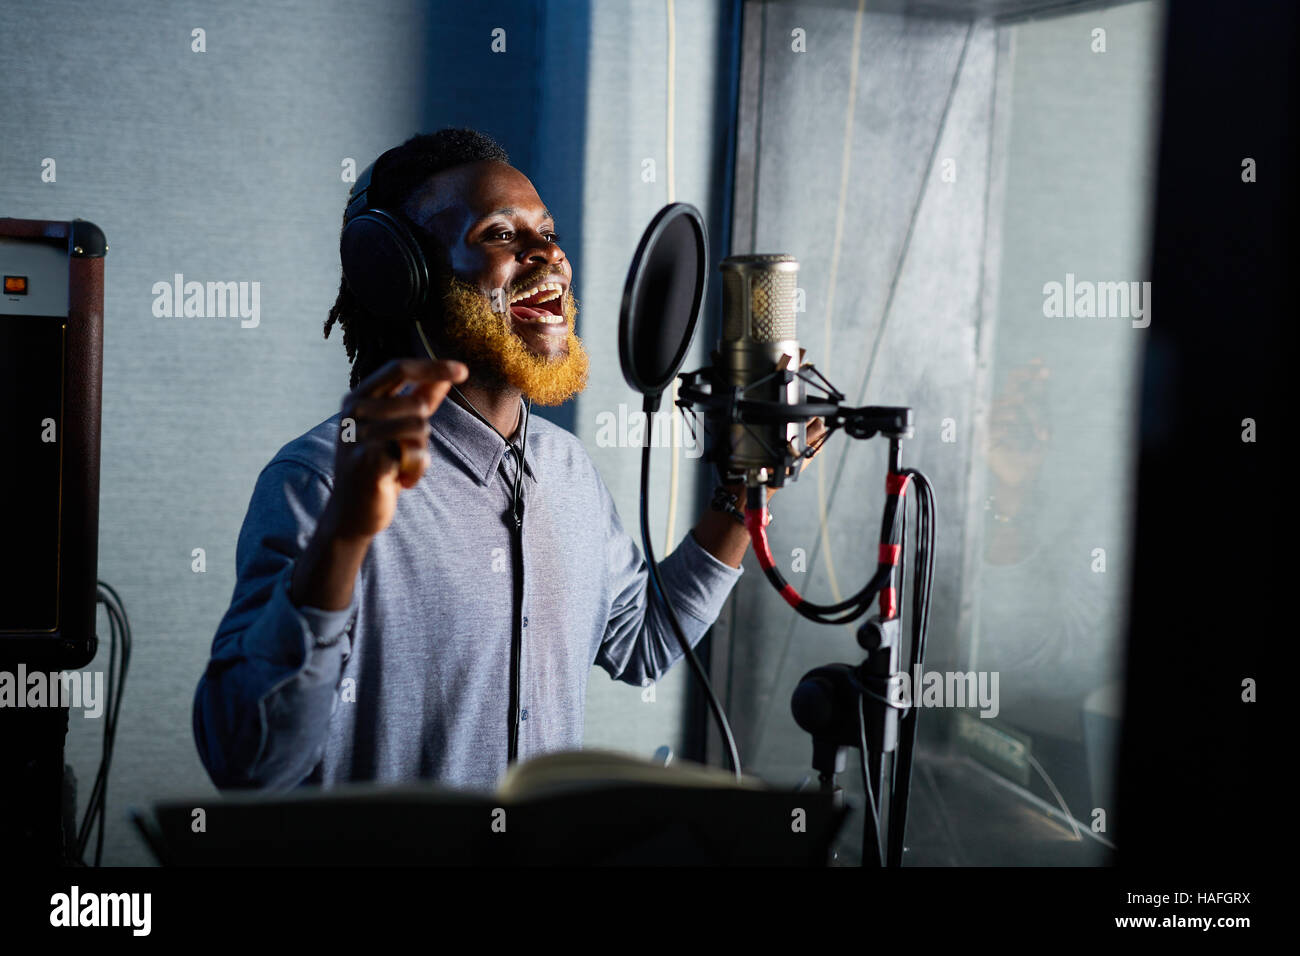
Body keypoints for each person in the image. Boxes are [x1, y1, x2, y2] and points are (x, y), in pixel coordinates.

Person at [193, 128, 823, 791]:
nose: (548, 253)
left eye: (547, 234)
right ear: (401, 273)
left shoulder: (570, 471)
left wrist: (745, 490)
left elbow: (641, 641)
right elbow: (247, 761)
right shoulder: (320, 480)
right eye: (500, 235)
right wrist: (345, 536)